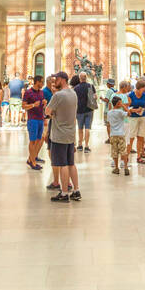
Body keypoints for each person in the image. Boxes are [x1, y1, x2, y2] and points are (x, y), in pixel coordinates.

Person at [46, 72, 80, 202]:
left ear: (63, 80)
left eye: (57, 79)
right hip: (70, 133)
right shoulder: (73, 93)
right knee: (71, 163)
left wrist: (53, 114)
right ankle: (76, 191)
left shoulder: (58, 95)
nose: (54, 82)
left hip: (59, 134)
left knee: (62, 164)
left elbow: (47, 111)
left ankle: (65, 193)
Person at [126, 78, 145, 167]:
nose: (144, 90)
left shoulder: (144, 95)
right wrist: (134, 110)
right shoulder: (131, 95)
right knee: (131, 136)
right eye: (143, 88)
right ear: (139, 88)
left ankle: (139, 156)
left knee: (141, 136)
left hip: (143, 117)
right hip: (133, 118)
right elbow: (126, 107)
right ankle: (126, 156)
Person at [23, 75, 46, 169]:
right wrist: (32, 105)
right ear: (36, 82)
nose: (42, 84)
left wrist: (44, 103)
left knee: (38, 140)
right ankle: (33, 162)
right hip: (32, 119)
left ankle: (30, 159)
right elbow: (23, 106)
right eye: (41, 82)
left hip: (40, 118)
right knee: (32, 141)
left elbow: (41, 106)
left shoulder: (41, 92)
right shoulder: (28, 92)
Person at [74, 70, 97, 153]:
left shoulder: (76, 88)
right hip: (89, 109)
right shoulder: (90, 86)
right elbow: (95, 97)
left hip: (79, 110)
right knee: (87, 128)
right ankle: (86, 146)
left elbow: (74, 99)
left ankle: (80, 145)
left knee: (80, 128)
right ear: (86, 78)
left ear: (80, 78)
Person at [106, 94, 128, 175]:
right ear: (118, 103)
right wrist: (123, 106)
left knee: (114, 152)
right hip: (121, 134)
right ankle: (126, 168)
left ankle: (116, 168)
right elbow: (128, 113)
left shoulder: (109, 113)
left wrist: (109, 136)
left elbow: (108, 125)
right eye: (121, 103)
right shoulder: (121, 112)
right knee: (123, 151)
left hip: (113, 134)